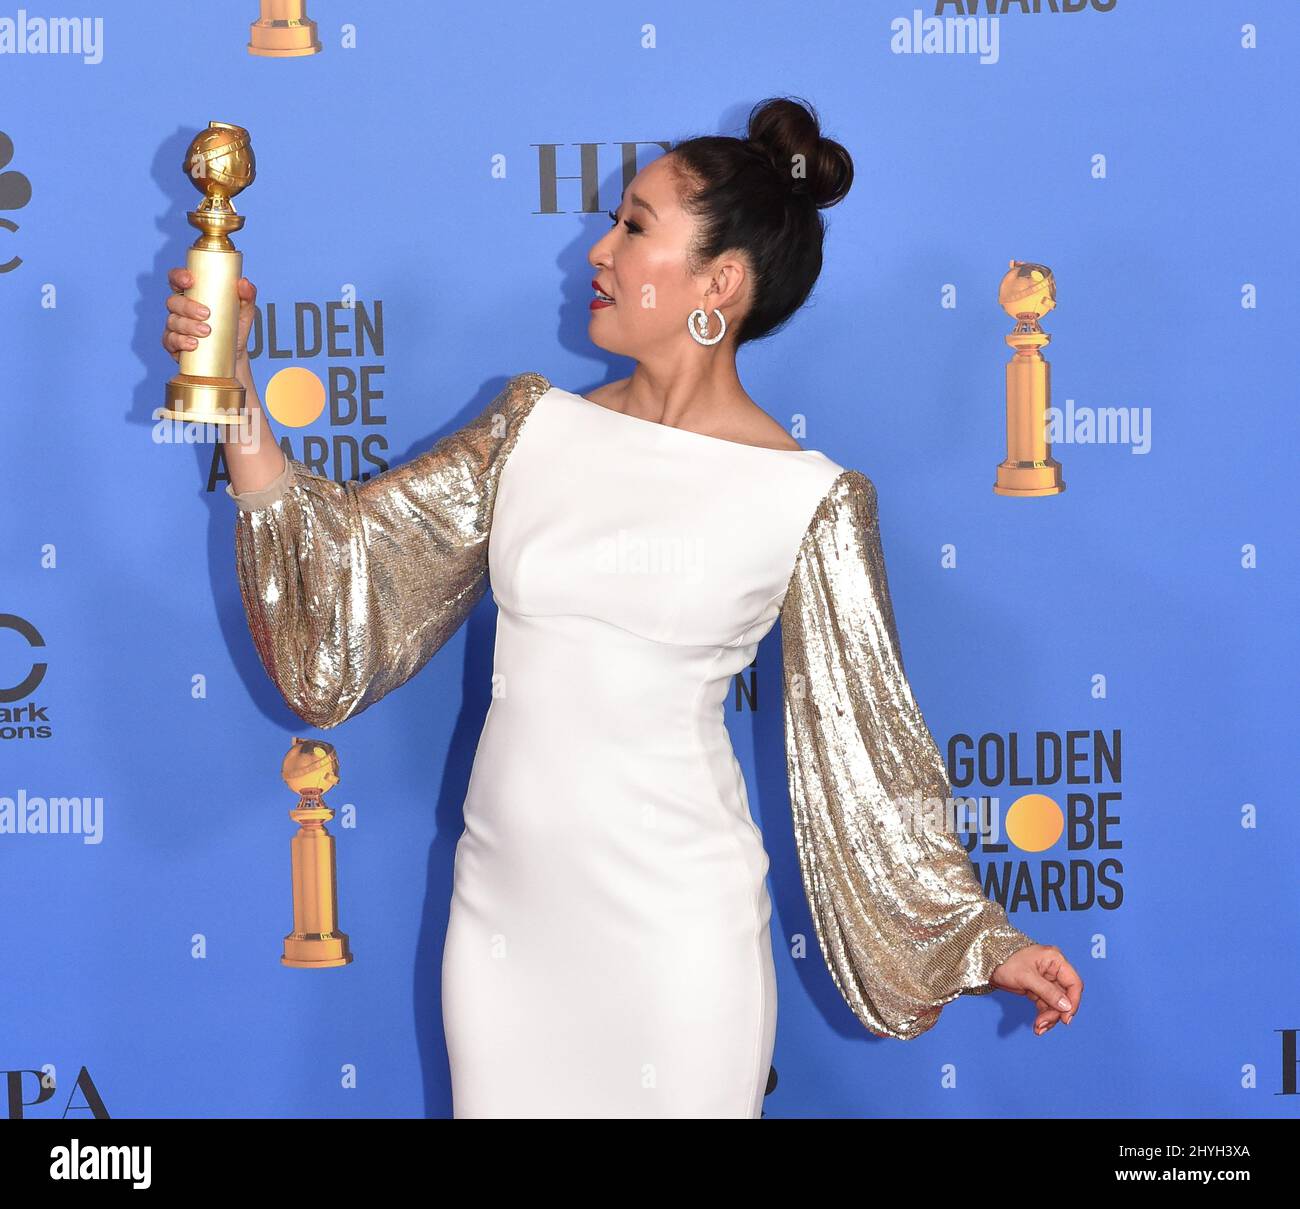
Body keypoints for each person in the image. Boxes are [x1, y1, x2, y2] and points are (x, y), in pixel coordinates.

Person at [162, 96, 1082, 1119]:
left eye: (635, 225)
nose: (596, 251)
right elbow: (346, 602)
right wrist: (233, 386)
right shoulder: (528, 429)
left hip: (675, 943)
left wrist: (979, 939)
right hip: (503, 927)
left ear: (718, 284)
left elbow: (870, 749)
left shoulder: (808, 499)